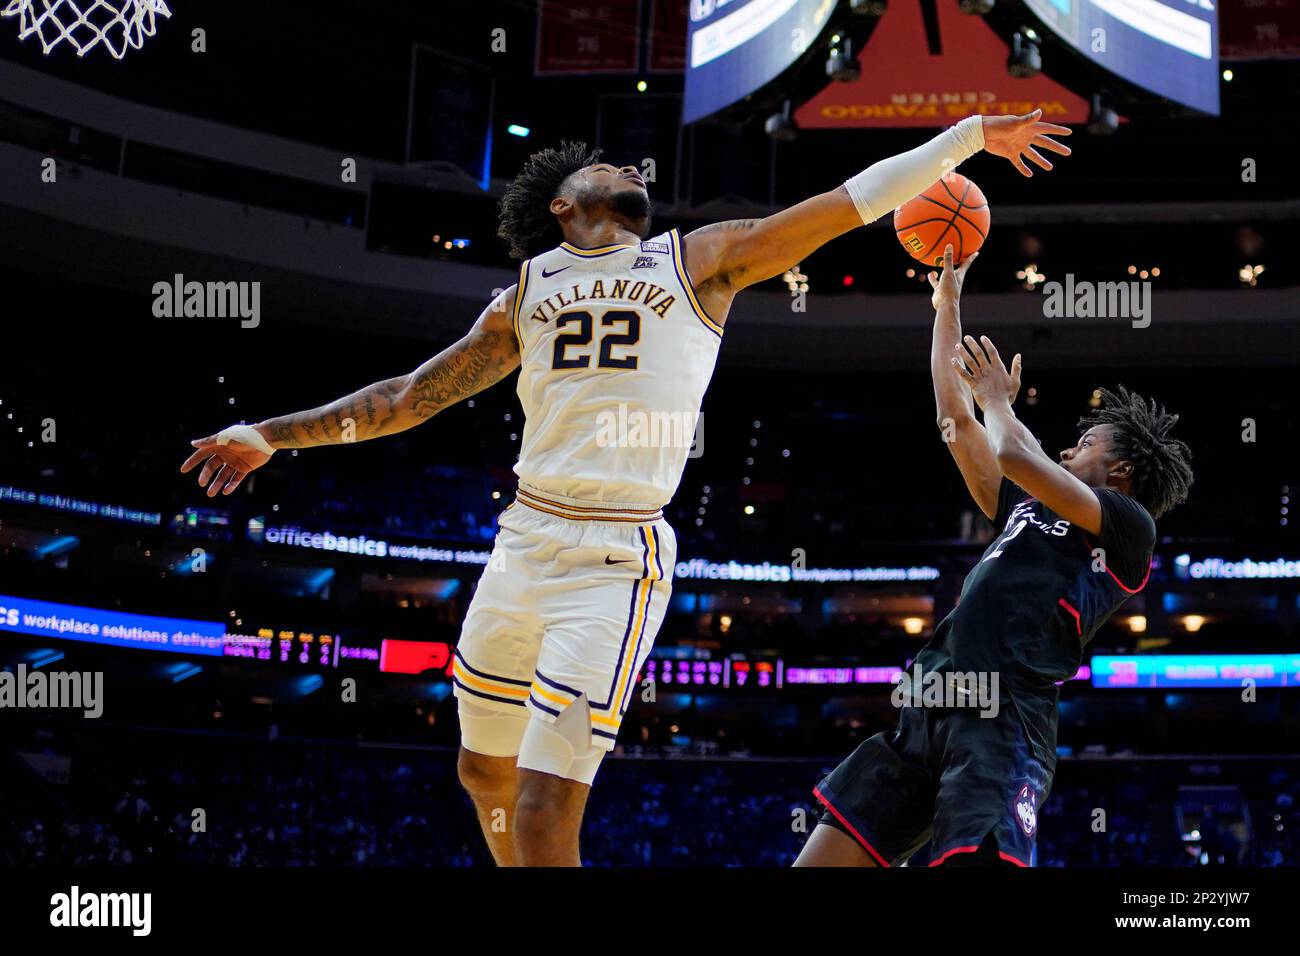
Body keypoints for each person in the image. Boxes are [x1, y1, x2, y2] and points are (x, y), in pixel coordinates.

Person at [181, 114, 1071, 867]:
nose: (633, 168)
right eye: (610, 166)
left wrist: (970, 137)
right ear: (564, 205)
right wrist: (269, 433)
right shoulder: (525, 292)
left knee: (540, 812)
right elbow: (410, 397)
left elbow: (844, 206)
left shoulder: (698, 262)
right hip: (522, 542)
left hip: (615, 557)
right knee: (481, 775)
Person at [795, 245, 1193, 867]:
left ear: (1119, 470)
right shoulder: (1023, 508)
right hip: (927, 708)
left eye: (1084, 443)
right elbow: (953, 416)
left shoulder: (1126, 525)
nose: (1067, 451)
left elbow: (1013, 452)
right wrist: (946, 308)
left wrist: (1001, 403)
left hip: (1003, 720)